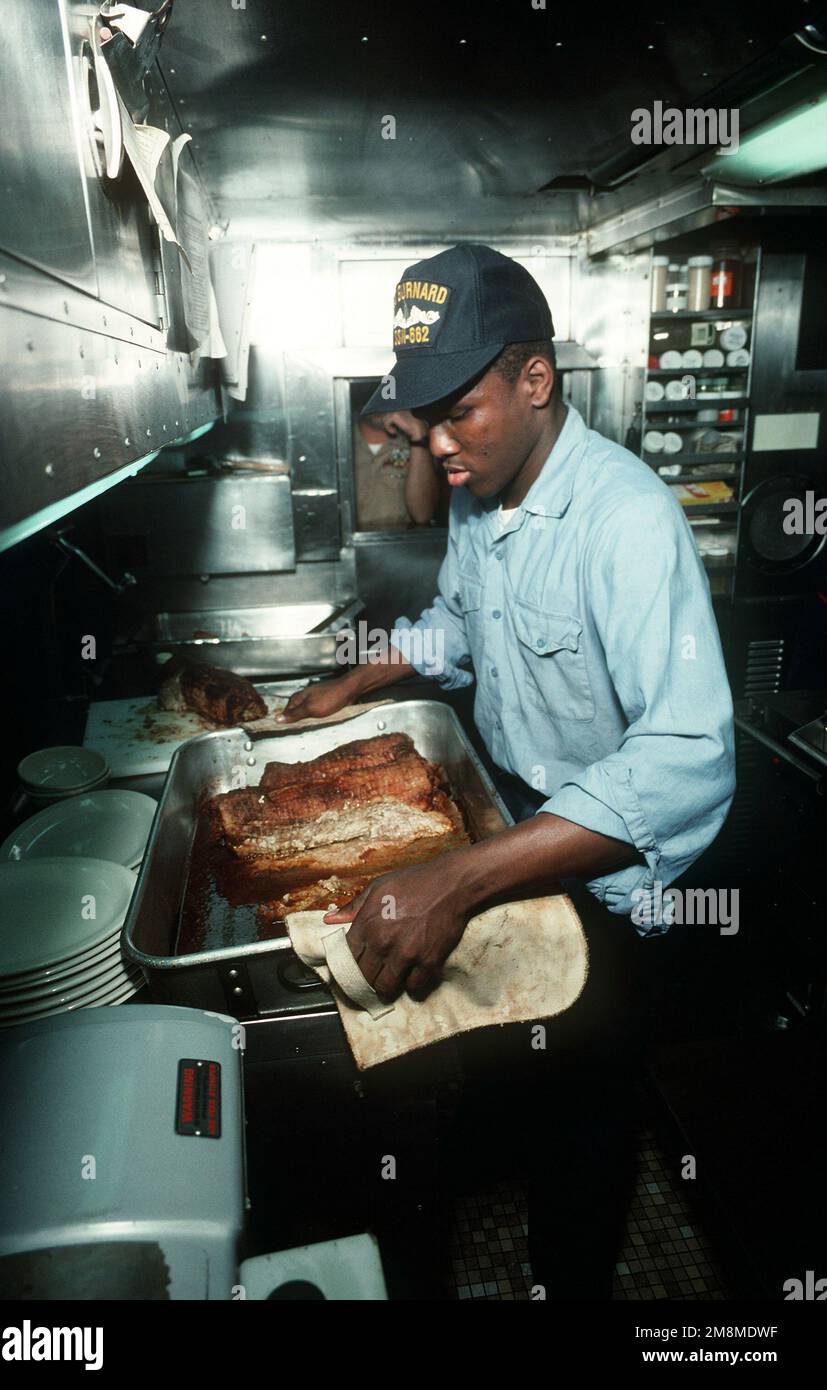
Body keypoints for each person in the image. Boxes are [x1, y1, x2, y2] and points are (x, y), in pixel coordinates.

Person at [278, 243, 736, 1298]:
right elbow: (458, 623)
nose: (436, 446)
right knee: (501, 1103)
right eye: (420, 419)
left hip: (605, 885)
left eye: (457, 412)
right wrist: (353, 682)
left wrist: (462, 876)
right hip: (508, 837)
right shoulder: (484, 498)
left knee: (579, 1143)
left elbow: (685, 760)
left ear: (536, 381)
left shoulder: (624, 522)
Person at [354, 409, 443, 529]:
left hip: (402, 543)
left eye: (387, 392)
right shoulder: (337, 440)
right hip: (350, 544)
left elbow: (423, 515)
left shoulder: (418, 442)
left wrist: (418, 436)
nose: (381, 400)